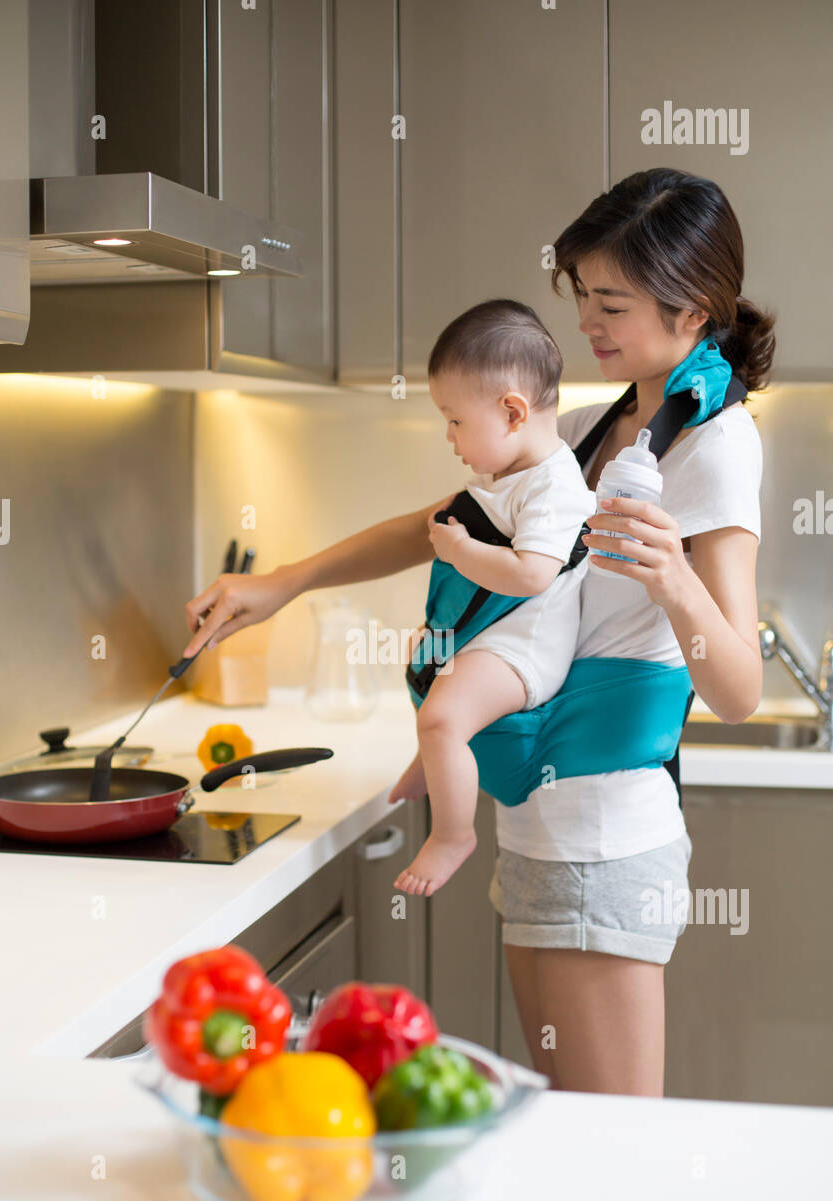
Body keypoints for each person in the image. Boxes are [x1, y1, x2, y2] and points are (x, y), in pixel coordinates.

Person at [183, 167, 772, 1097]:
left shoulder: (715, 444)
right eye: (581, 295)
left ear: (694, 306)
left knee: (610, 1148)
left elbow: (740, 692)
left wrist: (674, 583)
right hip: (537, 828)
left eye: (610, 302)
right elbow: (440, 524)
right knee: (566, 1126)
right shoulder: (587, 429)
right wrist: (283, 584)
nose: (586, 321)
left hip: (606, 839)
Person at [387, 300, 595, 897]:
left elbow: (532, 574)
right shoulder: (516, 475)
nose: (448, 436)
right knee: (431, 676)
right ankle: (436, 759)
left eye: (454, 420)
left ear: (511, 412)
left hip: (527, 652)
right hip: (498, 641)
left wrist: (458, 552)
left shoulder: (555, 486)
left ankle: (454, 834)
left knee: (445, 713)